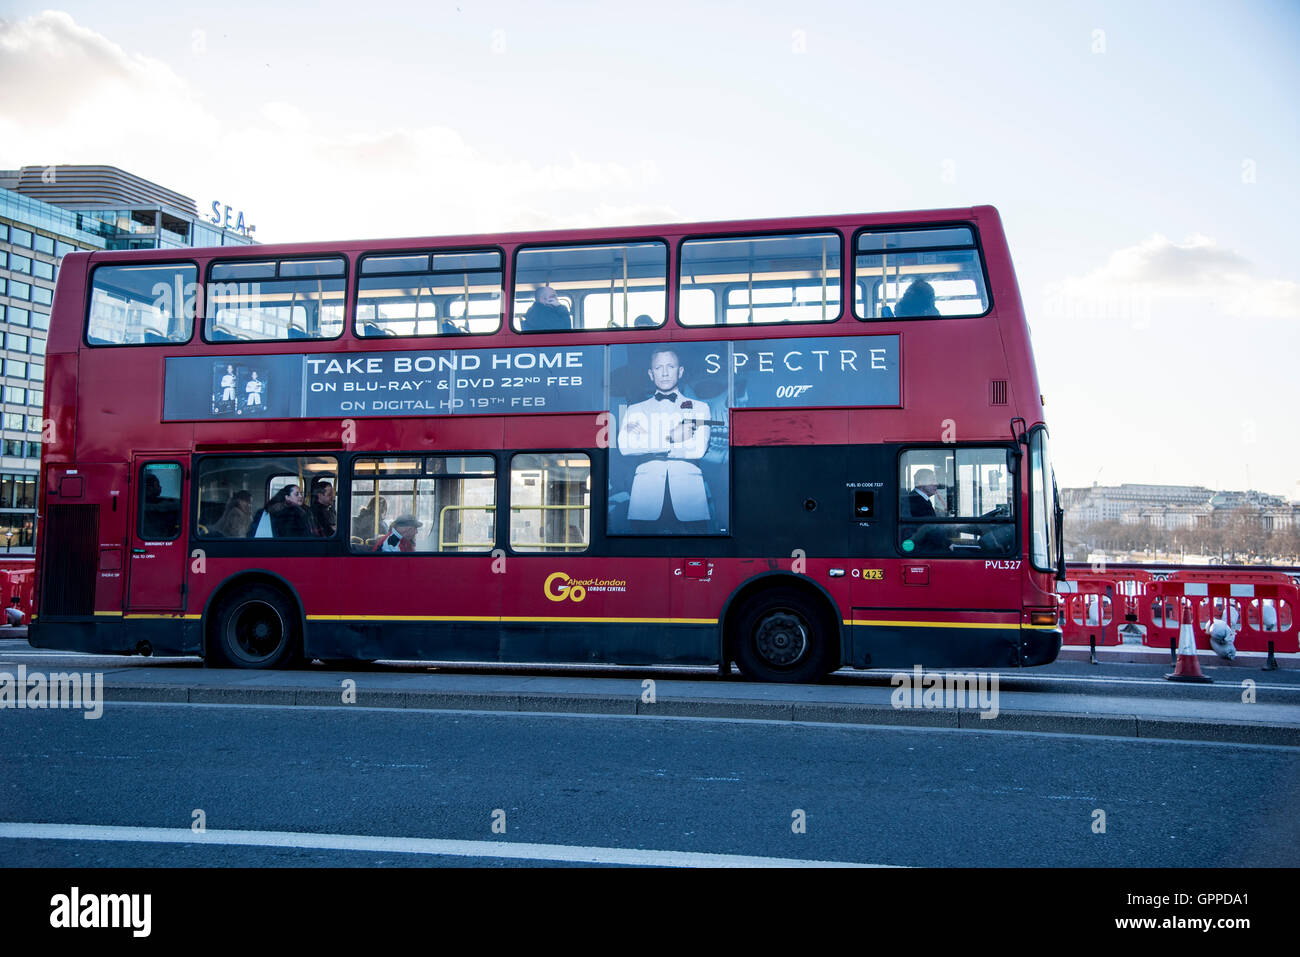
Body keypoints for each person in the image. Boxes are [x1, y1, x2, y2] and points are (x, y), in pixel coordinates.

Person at [616, 348, 712, 531]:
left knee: (694, 556)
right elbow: (625, 446)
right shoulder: (634, 410)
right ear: (651, 374)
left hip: (689, 499)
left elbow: (698, 449)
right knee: (642, 558)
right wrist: (671, 438)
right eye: (659, 368)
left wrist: (646, 440)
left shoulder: (701, 408)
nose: (665, 372)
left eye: (670, 366)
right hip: (645, 500)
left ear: (680, 371)